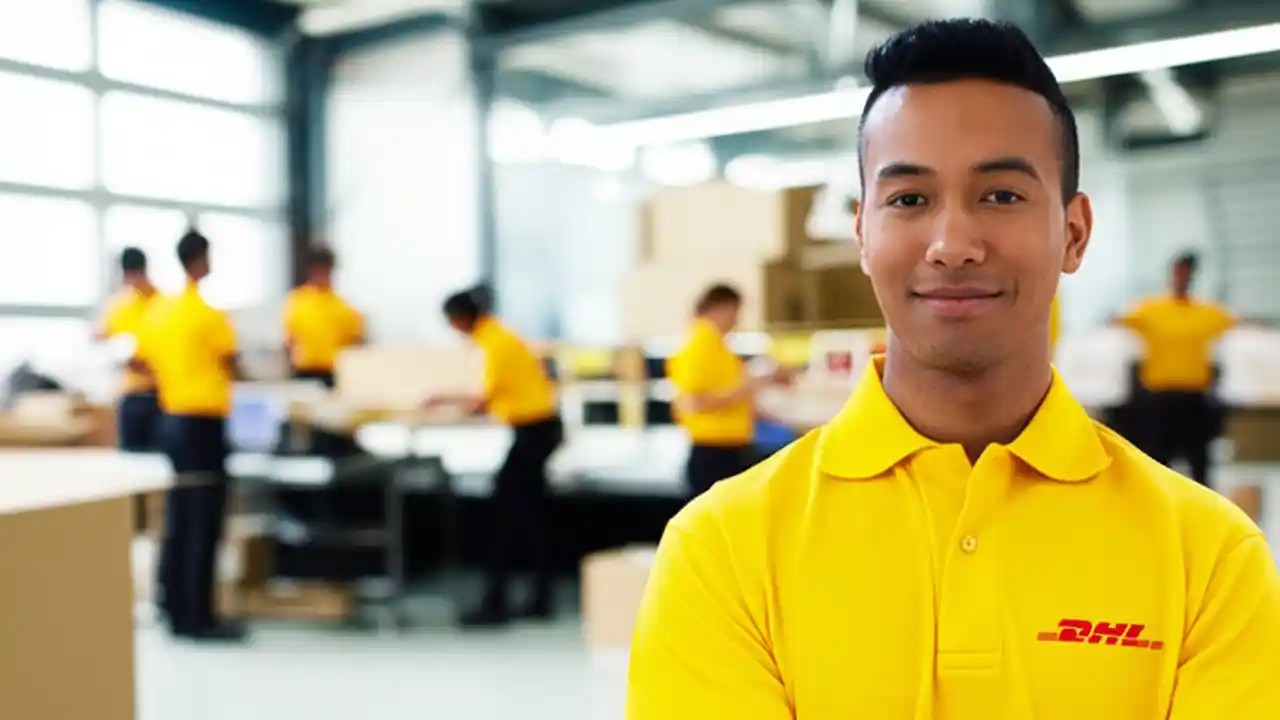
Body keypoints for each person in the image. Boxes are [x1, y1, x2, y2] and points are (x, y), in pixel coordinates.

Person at [628, 19, 1280, 719]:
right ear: (863, 235)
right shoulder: (723, 549)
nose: (952, 244)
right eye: (909, 199)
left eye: (1001, 195)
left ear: (1074, 232)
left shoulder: (1209, 557)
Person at [422, 287, 563, 627]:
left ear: (459, 319)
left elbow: (482, 398)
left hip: (534, 430)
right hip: (537, 430)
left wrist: (440, 400)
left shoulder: (494, 343)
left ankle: (497, 602)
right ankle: (537, 597)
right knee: (528, 516)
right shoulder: (498, 336)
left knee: (505, 515)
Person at [137, 230, 245, 642]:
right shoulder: (207, 314)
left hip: (171, 419)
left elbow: (143, 361)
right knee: (204, 519)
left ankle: (170, 604)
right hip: (202, 424)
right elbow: (233, 363)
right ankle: (198, 617)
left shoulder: (159, 311)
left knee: (178, 515)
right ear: (200, 260)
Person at [1118, 252, 1235, 488]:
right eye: (1178, 272)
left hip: (1194, 399)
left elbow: (1238, 330)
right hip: (1159, 400)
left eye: (1186, 272)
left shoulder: (1207, 313)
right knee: (1158, 465)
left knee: (1200, 466)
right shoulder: (1150, 310)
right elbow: (1117, 327)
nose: (1181, 277)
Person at [667, 284, 781, 497]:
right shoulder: (700, 346)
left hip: (728, 450)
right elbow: (692, 402)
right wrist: (746, 389)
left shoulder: (717, 346)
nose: (737, 320)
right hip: (713, 453)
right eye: (736, 311)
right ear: (722, 307)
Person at [98, 247, 162, 452]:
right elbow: (102, 340)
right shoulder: (119, 306)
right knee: (131, 458)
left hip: (161, 393)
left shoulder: (163, 304)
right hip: (131, 393)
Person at [282, 246, 365, 388]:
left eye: (325, 270)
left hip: (334, 372)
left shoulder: (343, 307)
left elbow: (356, 342)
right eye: (317, 270)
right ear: (309, 271)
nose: (321, 275)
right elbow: (289, 340)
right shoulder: (297, 302)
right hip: (304, 371)